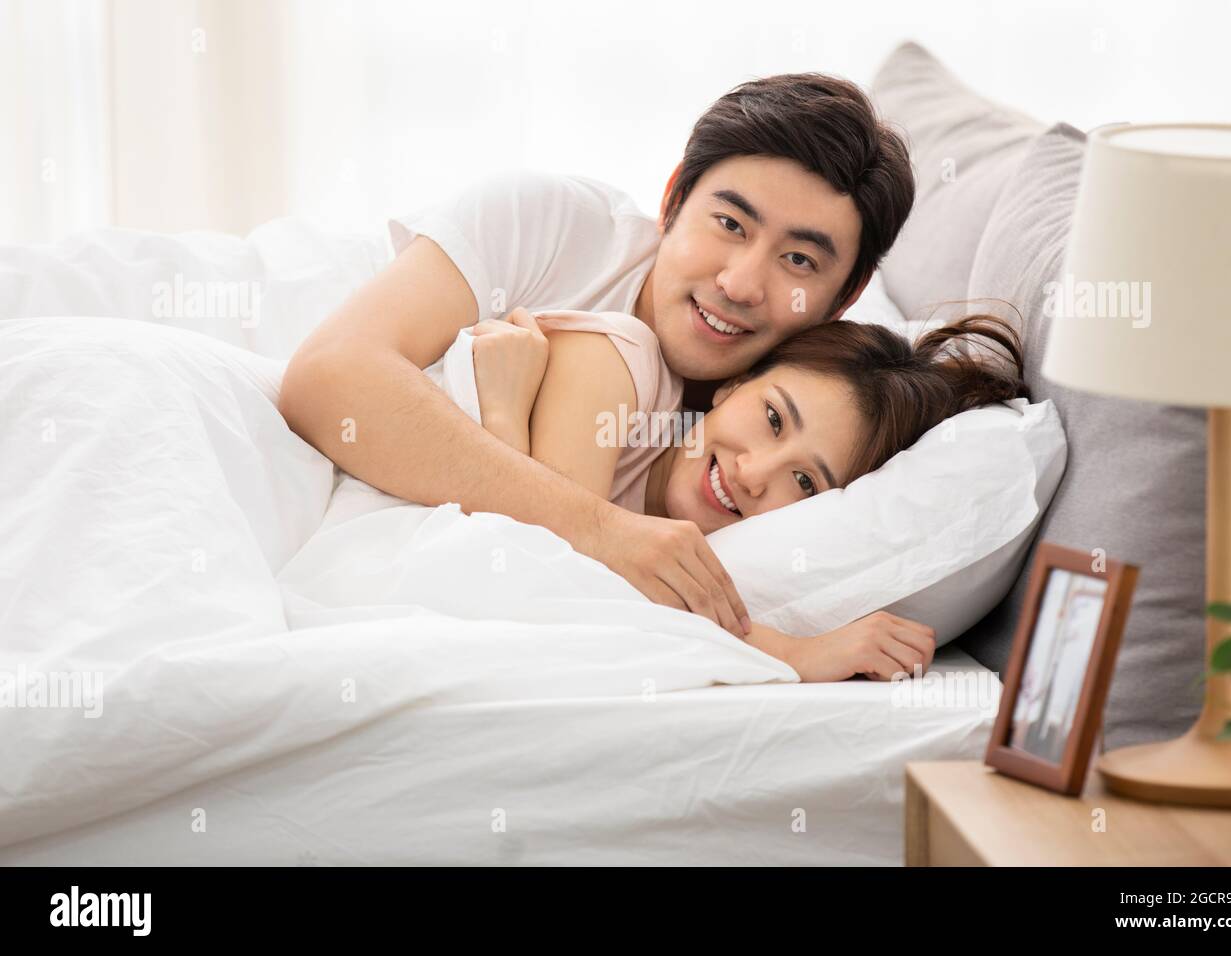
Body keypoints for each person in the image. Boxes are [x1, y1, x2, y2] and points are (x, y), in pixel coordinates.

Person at [279, 73, 916, 641]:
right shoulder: (551, 227)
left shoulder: (807, 410)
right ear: (672, 200)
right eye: (730, 225)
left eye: (798, 261)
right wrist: (599, 529)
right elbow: (327, 376)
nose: (741, 284)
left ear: (845, 298)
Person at [463, 304, 1029, 682]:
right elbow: (545, 567)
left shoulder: (707, 552)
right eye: (773, 418)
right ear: (734, 383)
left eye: (806, 482)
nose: (755, 473)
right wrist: (792, 654)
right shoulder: (619, 366)